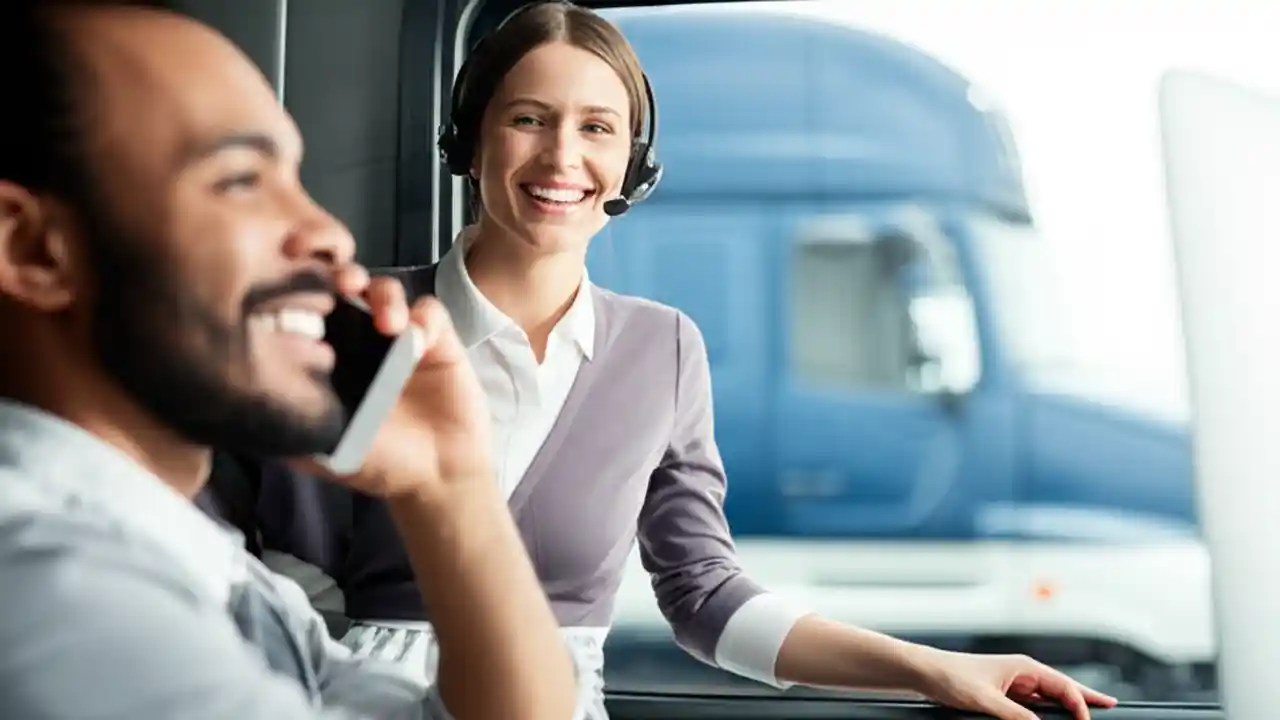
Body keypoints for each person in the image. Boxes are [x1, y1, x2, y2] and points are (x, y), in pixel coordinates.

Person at [207, 3, 1119, 720]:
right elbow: (214, 543)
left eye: (598, 128)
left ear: (632, 165)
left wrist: (930, 668)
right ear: (468, 141)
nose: (562, 156)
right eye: (528, 119)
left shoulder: (662, 349)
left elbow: (705, 596)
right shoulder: (350, 316)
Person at [0, 1, 584, 718]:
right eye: (241, 180)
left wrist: (449, 481)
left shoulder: (215, 570)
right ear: (33, 249)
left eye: (294, 180)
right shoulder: (57, 594)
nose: (329, 233)